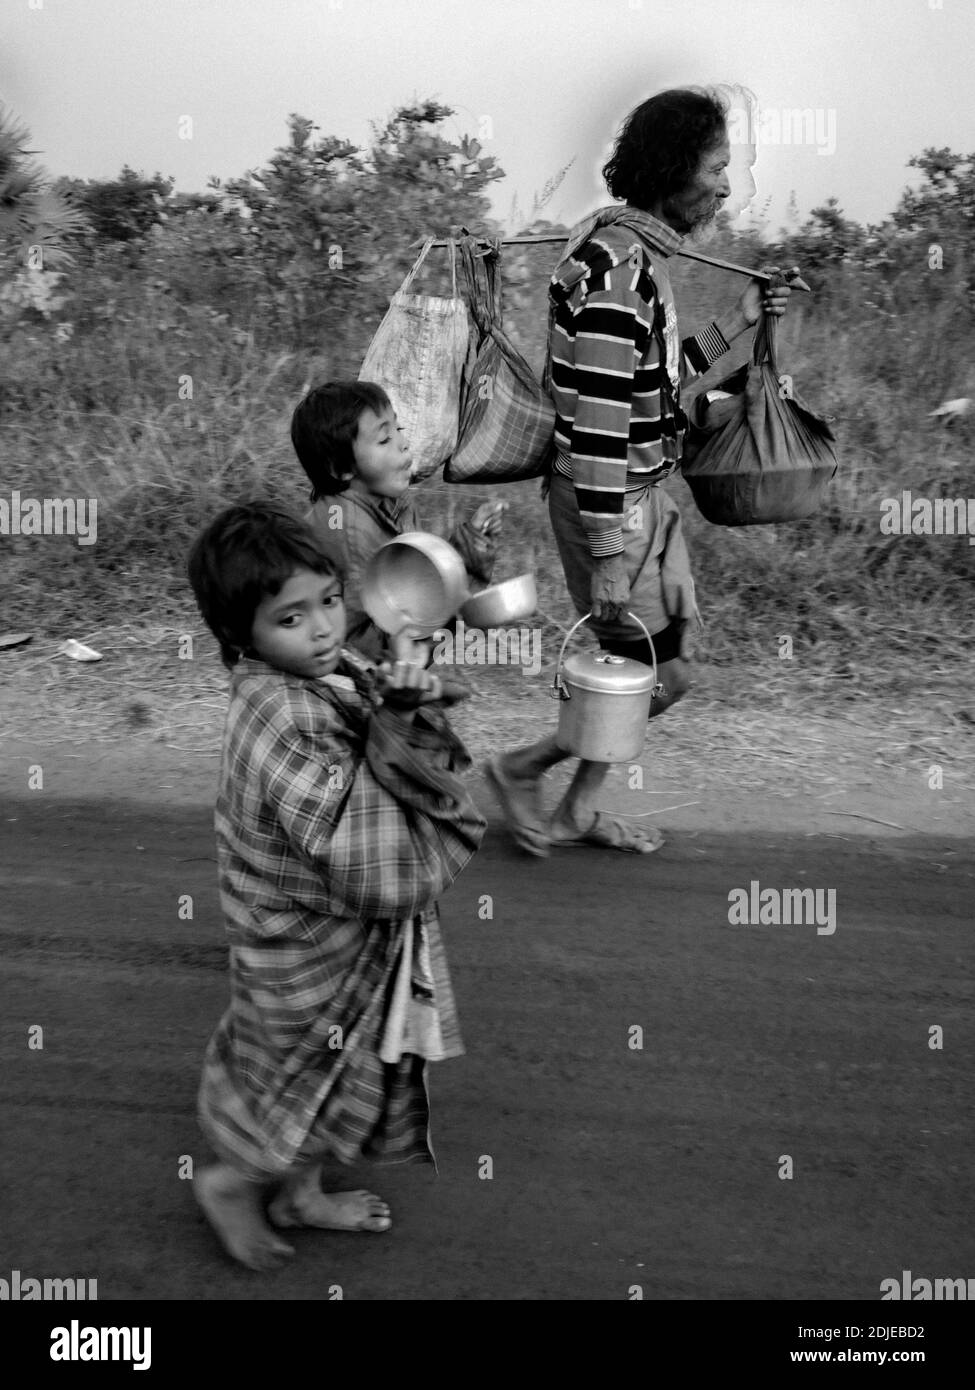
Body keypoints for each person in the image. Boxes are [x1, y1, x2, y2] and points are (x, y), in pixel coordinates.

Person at [486, 86, 797, 855]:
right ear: (673, 165)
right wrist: (604, 553)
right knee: (661, 673)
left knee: (655, 665)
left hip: (640, 496)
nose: (727, 186)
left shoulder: (631, 256)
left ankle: (572, 807)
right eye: (717, 167)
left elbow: (645, 386)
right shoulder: (617, 268)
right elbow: (595, 420)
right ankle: (524, 771)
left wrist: (741, 326)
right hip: (613, 502)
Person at [186, 501, 485, 1270]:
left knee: (338, 1061)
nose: (322, 629)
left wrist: (402, 699)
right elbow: (359, 844)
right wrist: (399, 723)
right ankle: (232, 1179)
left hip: (336, 934)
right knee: (298, 1068)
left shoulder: (323, 670)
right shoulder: (280, 714)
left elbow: (372, 727)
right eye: (292, 617)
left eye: (328, 600)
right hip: (300, 939)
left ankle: (300, 1192)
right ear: (238, 637)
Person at [293, 380, 506, 663]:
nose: (404, 444)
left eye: (399, 430)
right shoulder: (346, 530)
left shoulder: (392, 503)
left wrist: (471, 544)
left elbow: (417, 579)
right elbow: (359, 641)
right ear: (342, 468)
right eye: (384, 439)